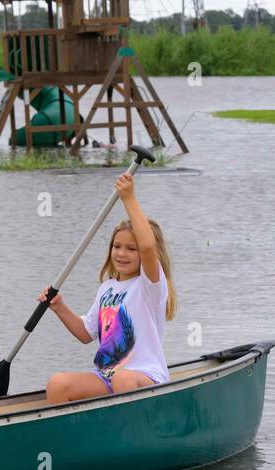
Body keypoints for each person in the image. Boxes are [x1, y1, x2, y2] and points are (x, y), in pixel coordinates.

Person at [40, 172, 177, 403]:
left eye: (130, 249)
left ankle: (132, 432)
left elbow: (147, 246)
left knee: (123, 379)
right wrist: (59, 307)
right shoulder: (107, 288)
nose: (122, 254)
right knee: (58, 384)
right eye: (117, 246)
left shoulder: (150, 285)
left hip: (145, 378)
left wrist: (129, 198)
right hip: (106, 376)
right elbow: (86, 333)